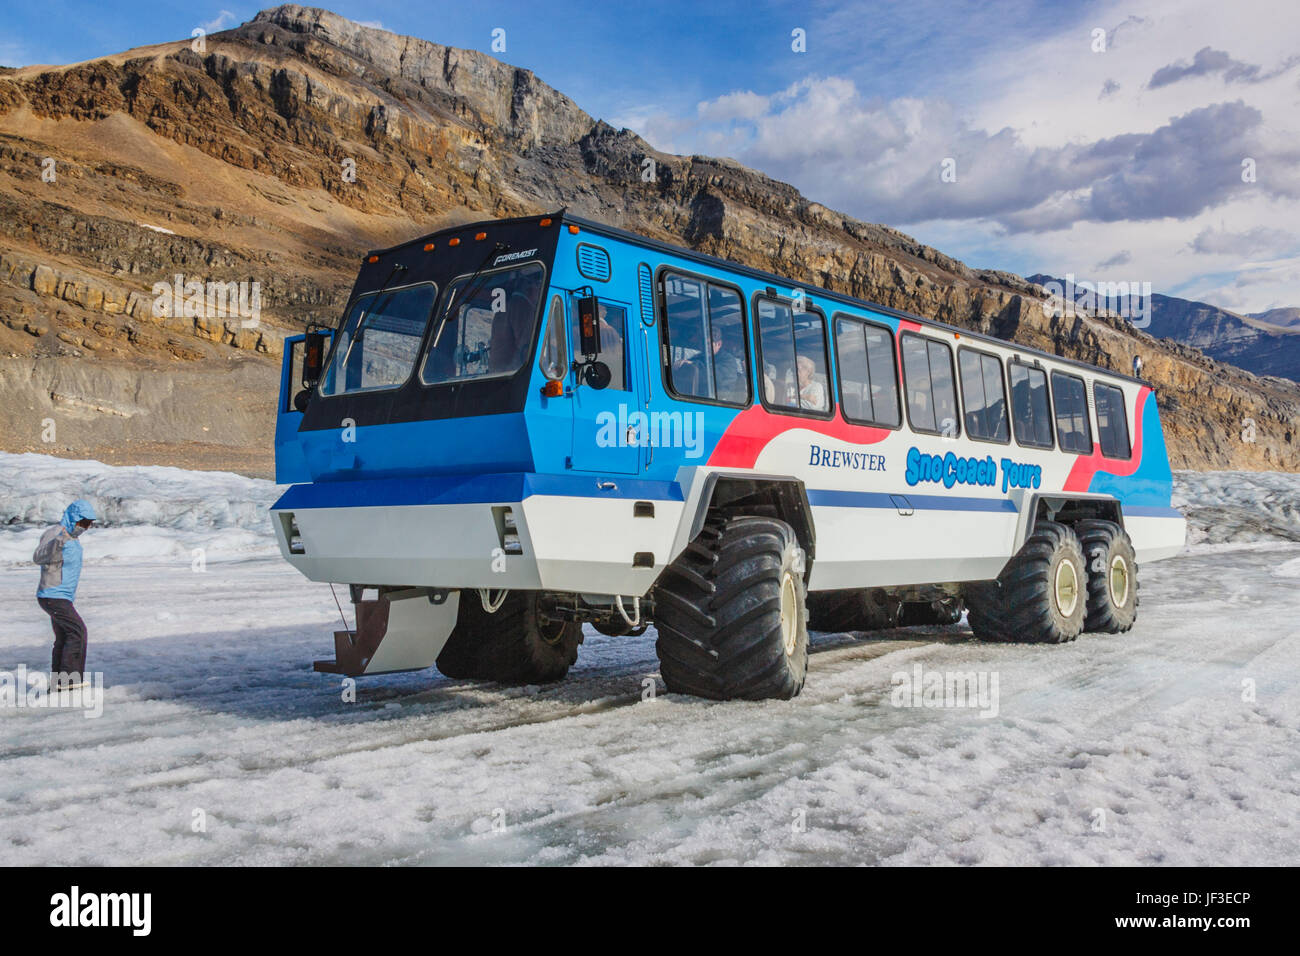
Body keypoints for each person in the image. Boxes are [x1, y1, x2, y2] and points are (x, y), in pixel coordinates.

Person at [33, 500, 97, 691]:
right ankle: (69, 680)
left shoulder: (72, 538)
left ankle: (58, 682)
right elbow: (38, 557)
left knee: (63, 636)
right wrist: (57, 543)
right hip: (52, 594)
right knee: (77, 631)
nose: (85, 527)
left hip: (62, 596)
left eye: (89, 524)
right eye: (83, 522)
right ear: (74, 518)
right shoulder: (56, 533)